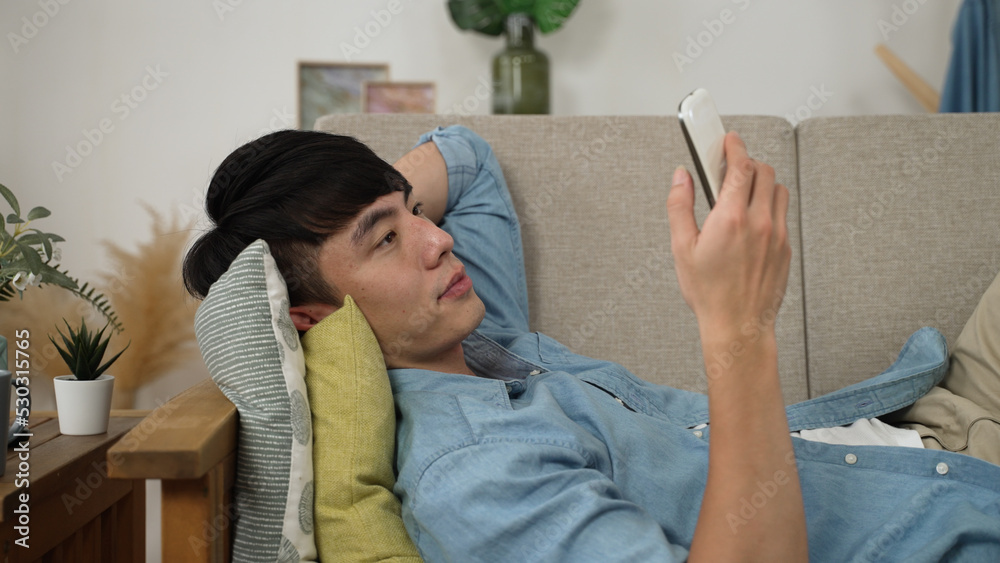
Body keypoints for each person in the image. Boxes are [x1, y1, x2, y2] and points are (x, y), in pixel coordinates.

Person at [183, 125, 1000, 562]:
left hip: (916, 427)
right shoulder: (471, 474)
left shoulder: (472, 329)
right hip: (940, 518)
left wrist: (369, 204)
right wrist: (739, 331)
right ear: (316, 319)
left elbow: (466, 158)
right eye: (385, 241)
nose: (437, 241)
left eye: (414, 213)